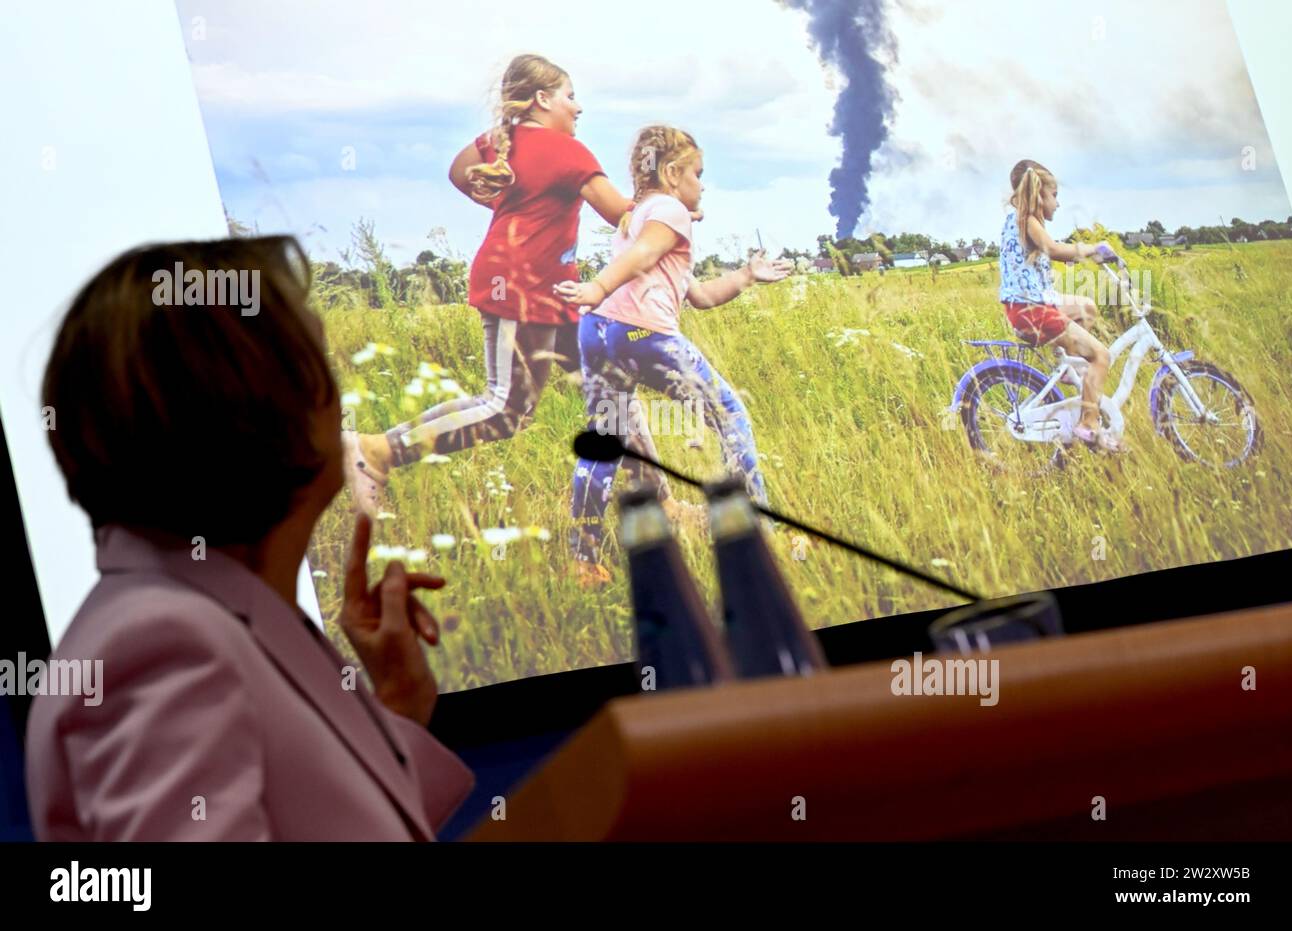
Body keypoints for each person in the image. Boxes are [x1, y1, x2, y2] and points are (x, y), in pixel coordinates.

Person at [25, 236, 473, 840]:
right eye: (319, 366)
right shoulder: (161, 648)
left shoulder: (207, 617)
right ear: (259, 404)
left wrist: (392, 709)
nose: (341, 403)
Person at [344, 54, 700, 531]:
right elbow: (623, 215)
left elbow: (457, 172)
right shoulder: (568, 151)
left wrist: (495, 197)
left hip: (557, 291)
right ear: (542, 99)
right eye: (570, 97)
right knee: (504, 408)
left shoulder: (501, 143)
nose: (578, 108)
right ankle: (375, 451)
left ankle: (660, 505)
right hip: (521, 288)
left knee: (613, 389)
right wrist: (672, 211)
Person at [556, 125, 792, 574]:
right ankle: (758, 536)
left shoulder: (638, 216)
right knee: (730, 415)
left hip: (597, 330)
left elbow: (698, 295)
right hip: (642, 334)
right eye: (698, 173)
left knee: (604, 442)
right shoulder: (668, 210)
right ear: (671, 172)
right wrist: (598, 285)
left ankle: (583, 558)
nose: (702, 184)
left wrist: (745, 275)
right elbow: (644, 256)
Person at [999, 158, 1121, 451]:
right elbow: (1053, 250)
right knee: (1101, 356)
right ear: (1040, 194)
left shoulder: (1020, 220)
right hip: (1033, 311)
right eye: (1055, 196)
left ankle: (1068, 367)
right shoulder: (1026, 221)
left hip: (1029, 305)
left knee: (1087, 307)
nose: (1058, 204)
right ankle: (1088, 425)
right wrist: (1091, 250)